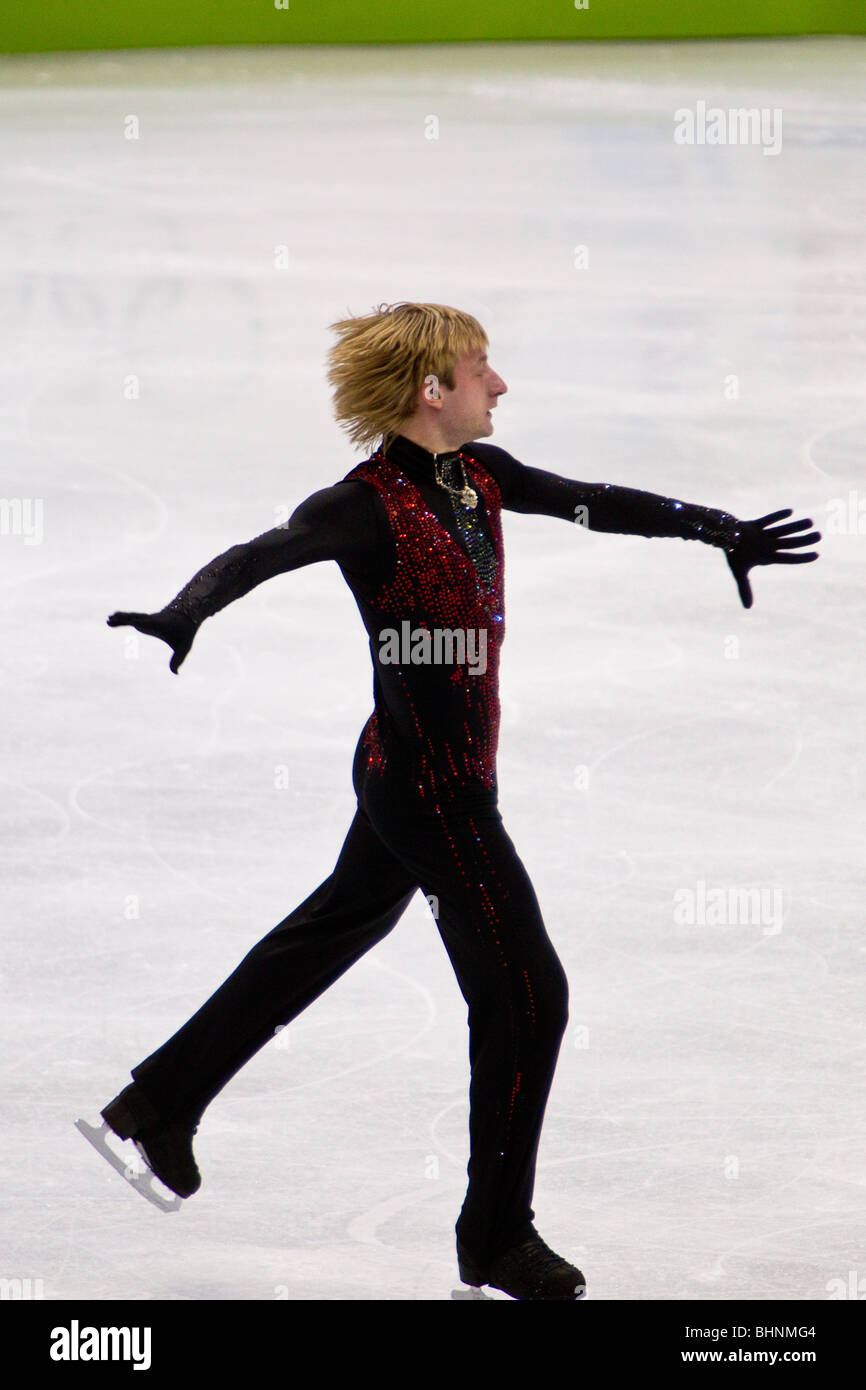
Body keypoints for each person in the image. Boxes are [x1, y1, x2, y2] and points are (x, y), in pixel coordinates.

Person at [90, 301, 820, 1300]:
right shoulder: (361, 505)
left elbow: (591, 501)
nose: (500, 384)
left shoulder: (482, 477)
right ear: (431, 390)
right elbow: (260, 552)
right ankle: (494, 1234)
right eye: (483, 367)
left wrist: (716, 529)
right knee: (529, 997)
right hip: (430, 793)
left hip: (415, 764)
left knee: (332, 928)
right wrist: (185, 609)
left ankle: (157, 1103)